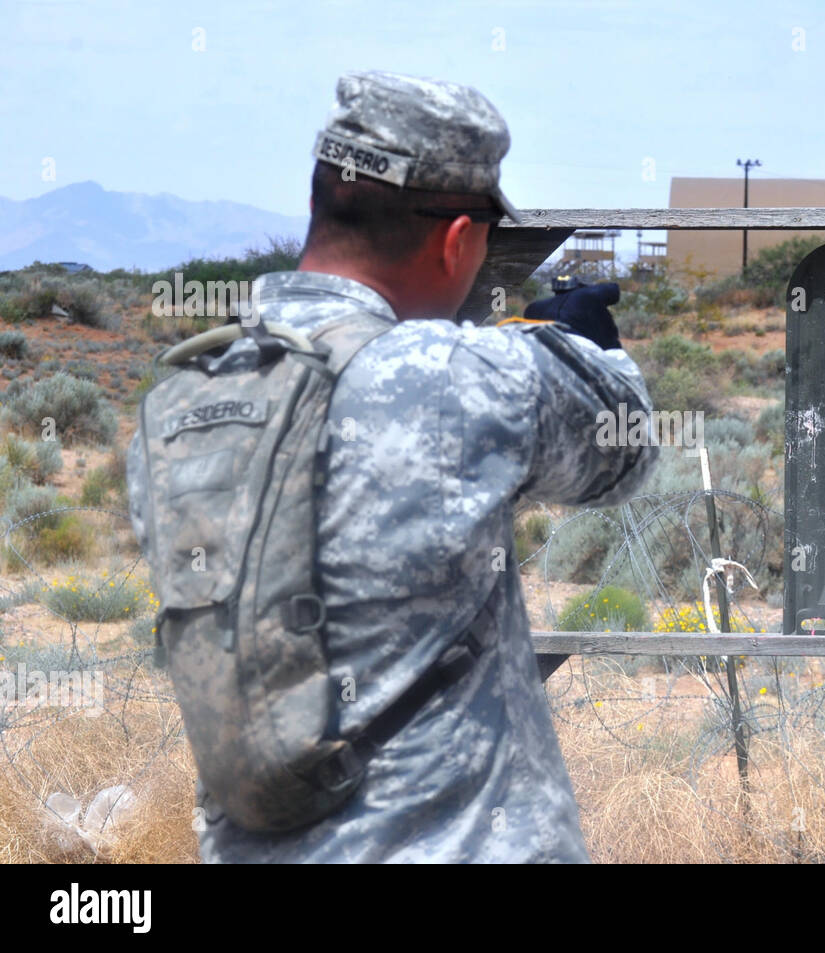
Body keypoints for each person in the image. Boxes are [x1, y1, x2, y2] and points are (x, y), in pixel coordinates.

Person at [125, 70, 657, 863]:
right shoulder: (459, 378)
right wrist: (584, 340)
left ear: (321, 204)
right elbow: (625, 449)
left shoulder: (174, 412)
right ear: (455, 241)